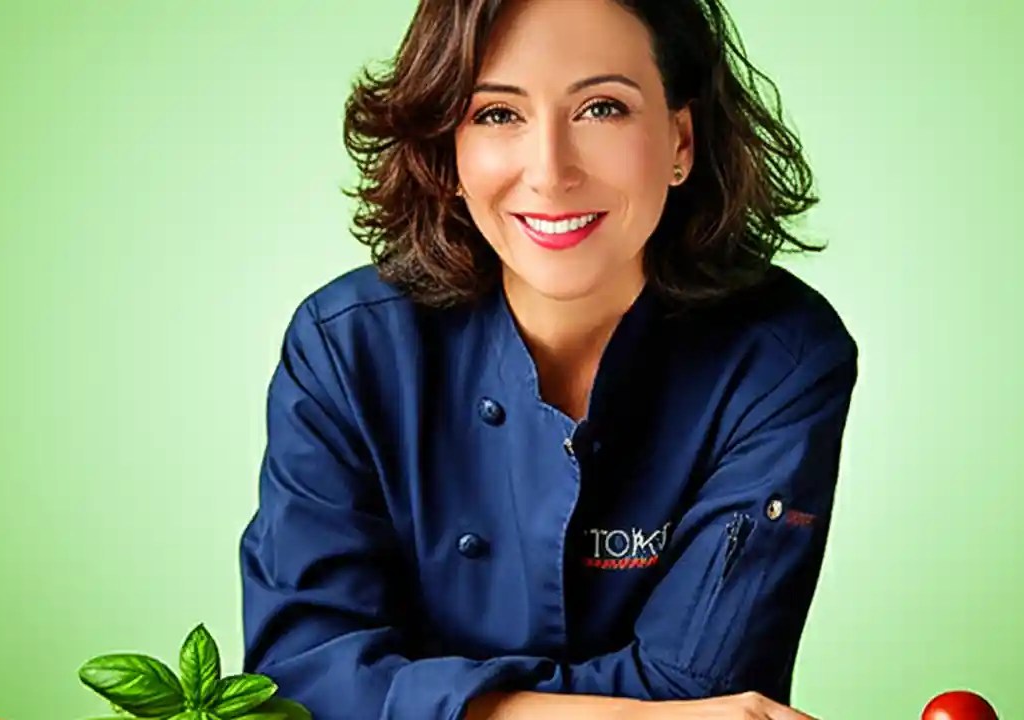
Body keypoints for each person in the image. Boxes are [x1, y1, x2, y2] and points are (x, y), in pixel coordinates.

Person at [238, 0, 859, 718]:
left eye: (601, 108)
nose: (551, 170)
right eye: (498, 114)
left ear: (681, 141)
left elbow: (704, 688)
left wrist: (416, 700)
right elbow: (300, 683)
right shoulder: (346, 348)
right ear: (449, 153)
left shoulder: (780, 357)